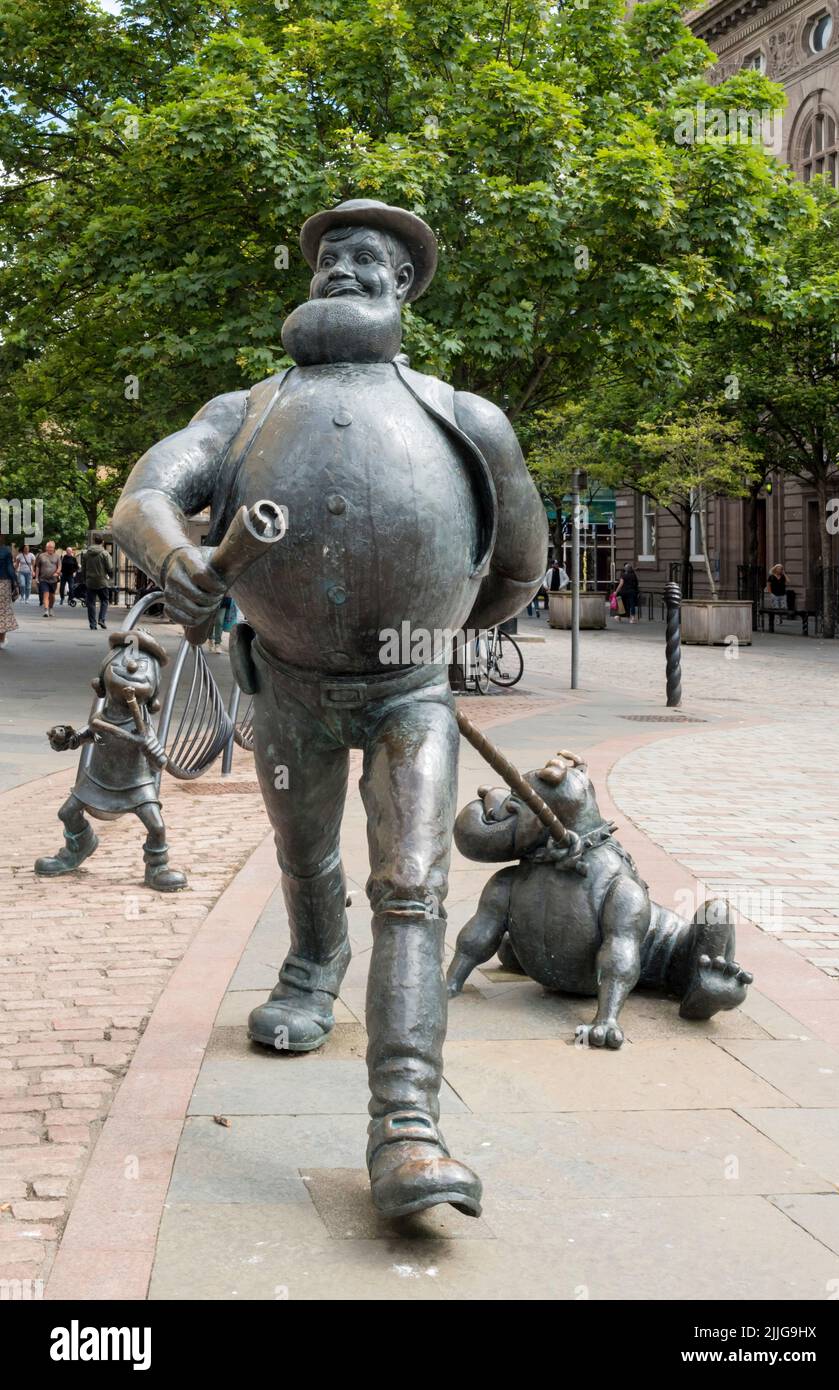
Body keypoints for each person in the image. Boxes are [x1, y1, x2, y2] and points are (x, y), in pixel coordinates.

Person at [112, 196, 548, 1221]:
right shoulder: (243, 410)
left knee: (411, 883)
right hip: (289, 682)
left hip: (410, 692)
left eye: (367, 260)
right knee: (305, 850)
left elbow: (519, 565)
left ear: (403, 286)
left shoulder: (464, 415)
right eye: (328, 258)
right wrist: (178, 561)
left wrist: (431, 629)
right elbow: (143, 496)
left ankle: (406, 1127)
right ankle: (313, 963)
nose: (341, 271)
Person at [81, 533, 114, 630]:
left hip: (90, 581)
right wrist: (110, 577)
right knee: (104, 600)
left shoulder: (87, 554)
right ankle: (102, 619)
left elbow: (83, 568)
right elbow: (109, 568)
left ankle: (92, 624)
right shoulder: (105, 553)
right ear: (102, 542)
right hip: (102, 581)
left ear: (94, 541)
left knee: (91, 603)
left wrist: (85, 579)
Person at [0, 536, 20, 648]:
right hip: (3, 583)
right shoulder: (5, 551)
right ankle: (1, 640)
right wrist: (15, 584)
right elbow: (10, 569)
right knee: (3, 611)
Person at [34, 540, 61, 616]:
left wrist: (57, 573)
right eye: (48, 547)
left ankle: (51, 608)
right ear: (46, 548)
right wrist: (36, 577)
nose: (50, 549)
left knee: (52, 596)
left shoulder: (57, 556)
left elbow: (59, 566)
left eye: (51, 547)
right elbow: (37, 567)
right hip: (43, 579)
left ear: (54, 548)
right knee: (46, 594)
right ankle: (46, 610)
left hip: (53, 579)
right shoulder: (41, 556)